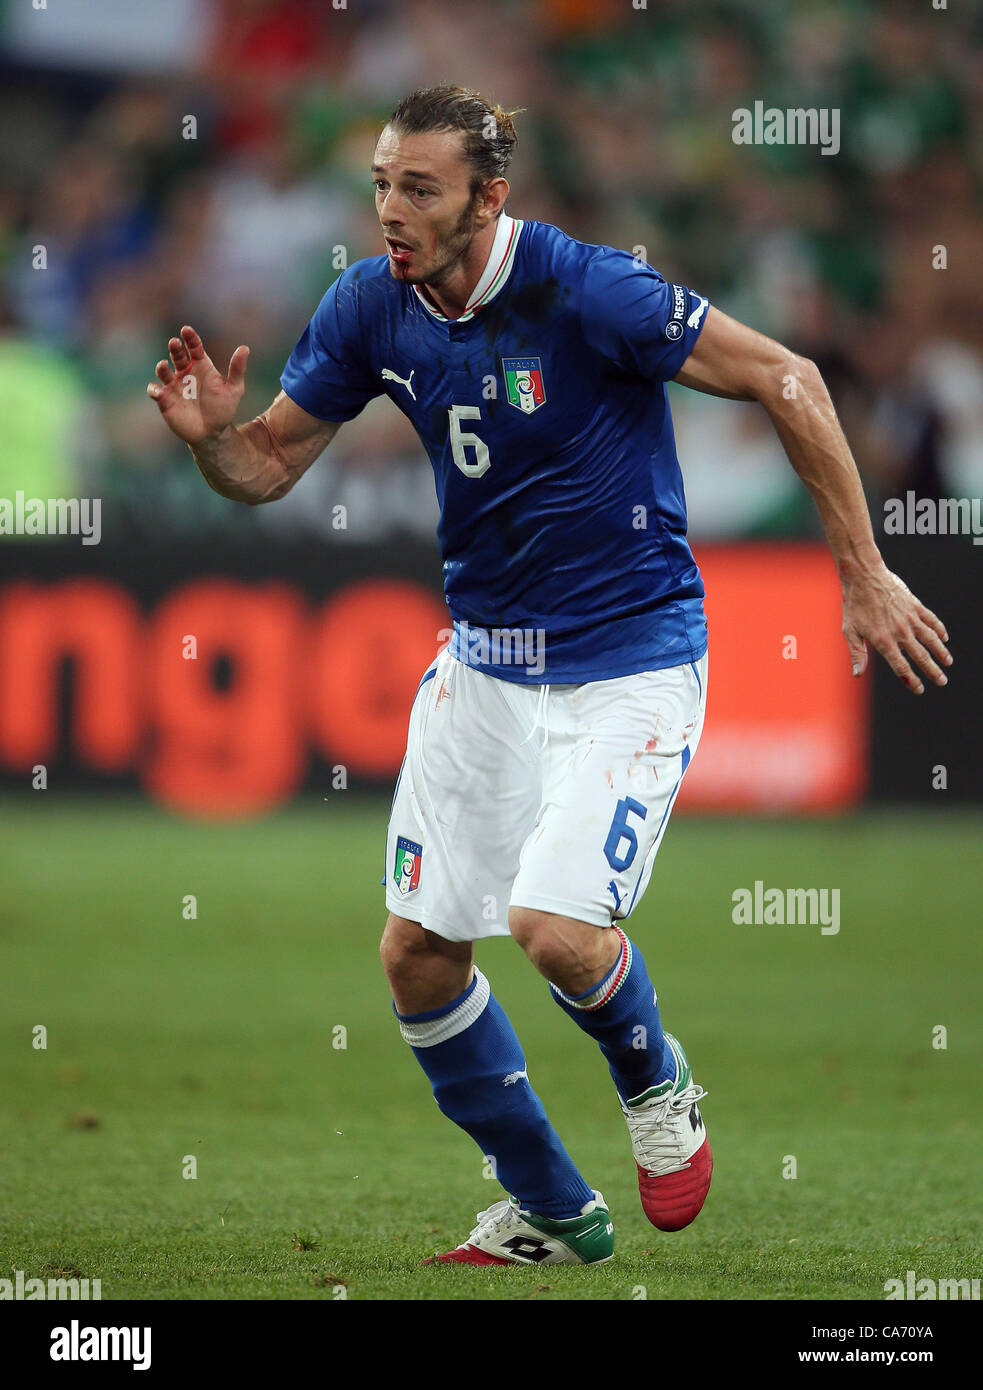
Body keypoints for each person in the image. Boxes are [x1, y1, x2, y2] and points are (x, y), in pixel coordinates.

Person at [147, 84, 951, 1267]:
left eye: (417, 188)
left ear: (488, 196)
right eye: (379, 183)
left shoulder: (588, 288)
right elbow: (268, 467)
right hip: (482, 664)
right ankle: (548, 1209)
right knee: (415, 954)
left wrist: (863, 570)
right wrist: (217, 436)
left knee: (554, 932)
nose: (389, 210)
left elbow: (790, 379)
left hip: (627, 663)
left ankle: (655, 1081)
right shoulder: (370, 304)